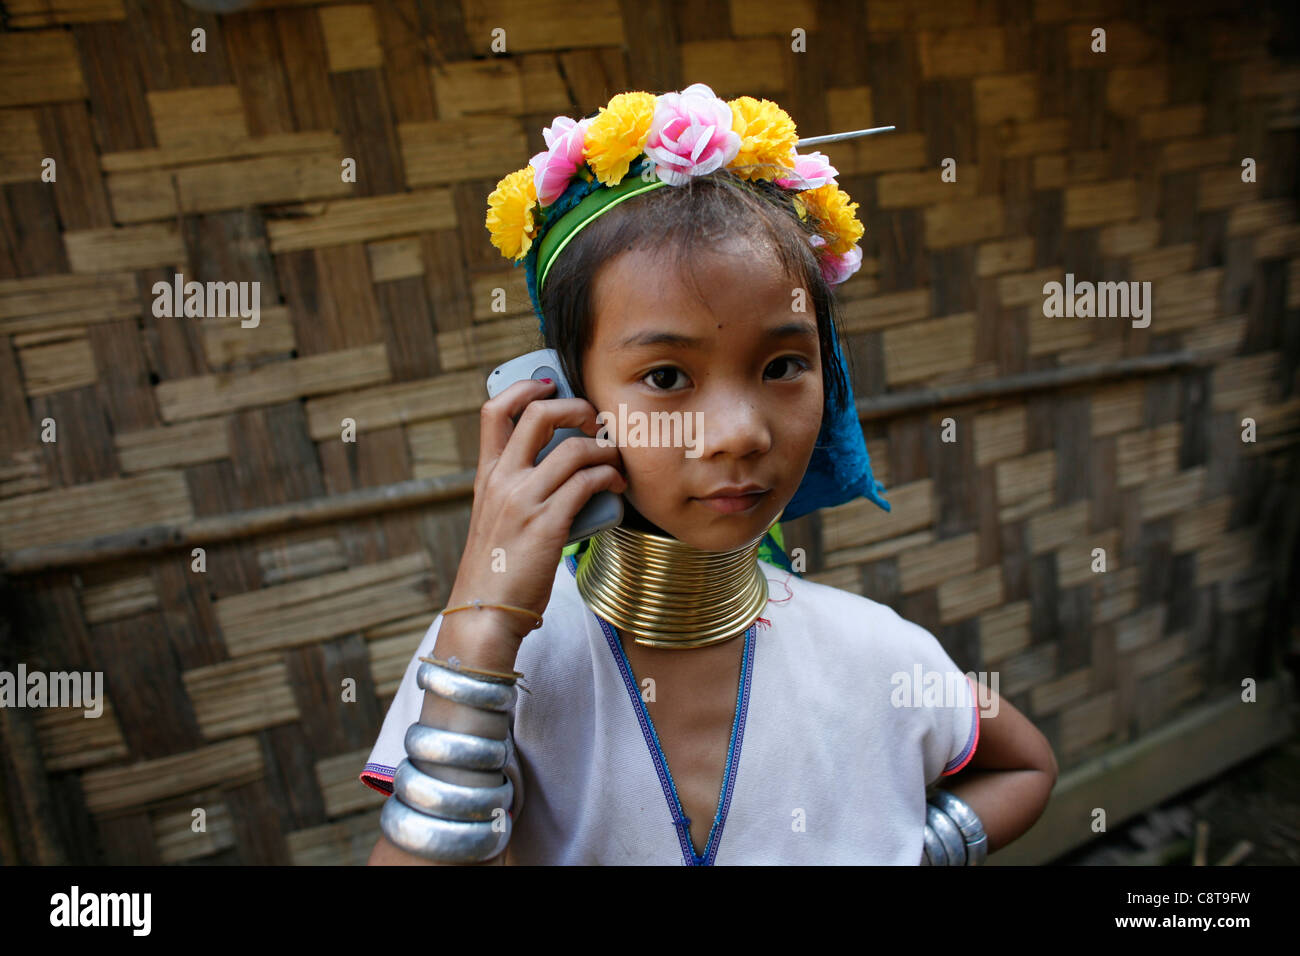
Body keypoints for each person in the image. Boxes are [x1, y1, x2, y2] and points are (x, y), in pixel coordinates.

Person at [362, 83, 1058, 865]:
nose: (740, 433)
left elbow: (1028, 766)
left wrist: (911, 850)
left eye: (785, 364)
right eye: (665, 376)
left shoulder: (878, 654)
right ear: (564, 396)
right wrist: (485, 623)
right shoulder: (498, 663)